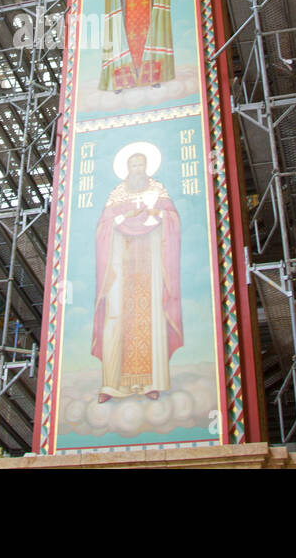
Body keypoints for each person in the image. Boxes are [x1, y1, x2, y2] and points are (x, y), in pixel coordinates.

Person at [92, 145, 181, 402]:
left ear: (147, 167)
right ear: (127, 168)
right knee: (115, 316)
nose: (138, 169)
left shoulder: (158, 190)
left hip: (150, 265)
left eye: (141, 164)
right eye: (134, 165)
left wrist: (158, 213)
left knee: (152, 315)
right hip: (121, 267)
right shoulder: (117, 194)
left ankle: (151, 382)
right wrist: (123, 218)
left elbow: (172, 219)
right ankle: (111, 384)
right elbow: (103, 227)